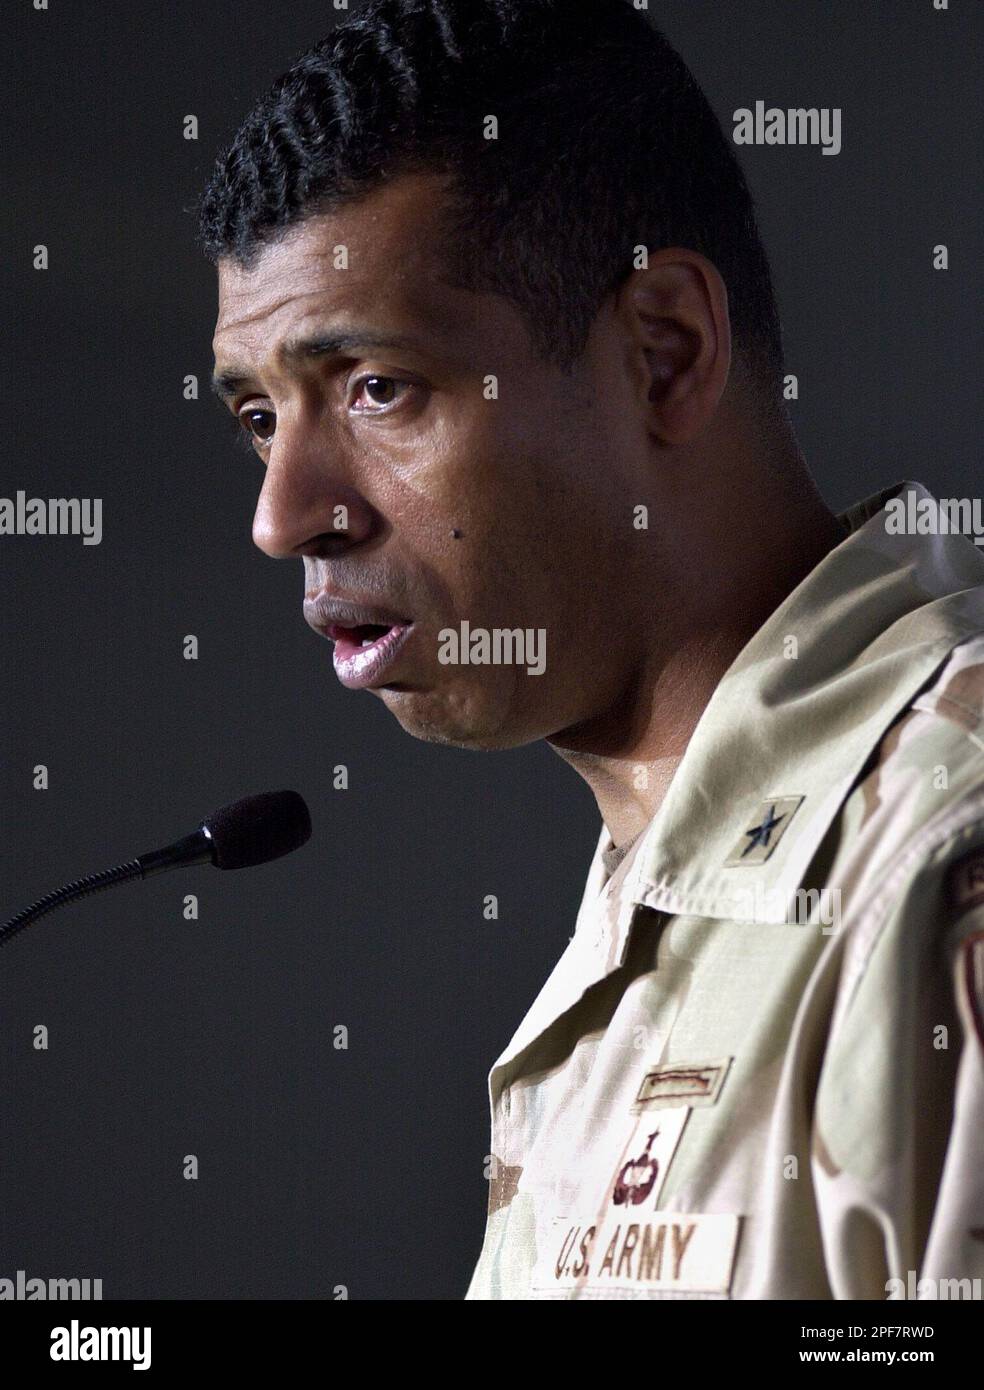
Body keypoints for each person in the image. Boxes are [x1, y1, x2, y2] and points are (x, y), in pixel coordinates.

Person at [198, 0, 984, 1298]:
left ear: (663, 353)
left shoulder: (934, 868)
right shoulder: (654, 914)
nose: (283, 516)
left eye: (378, 387)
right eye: (258, 414)